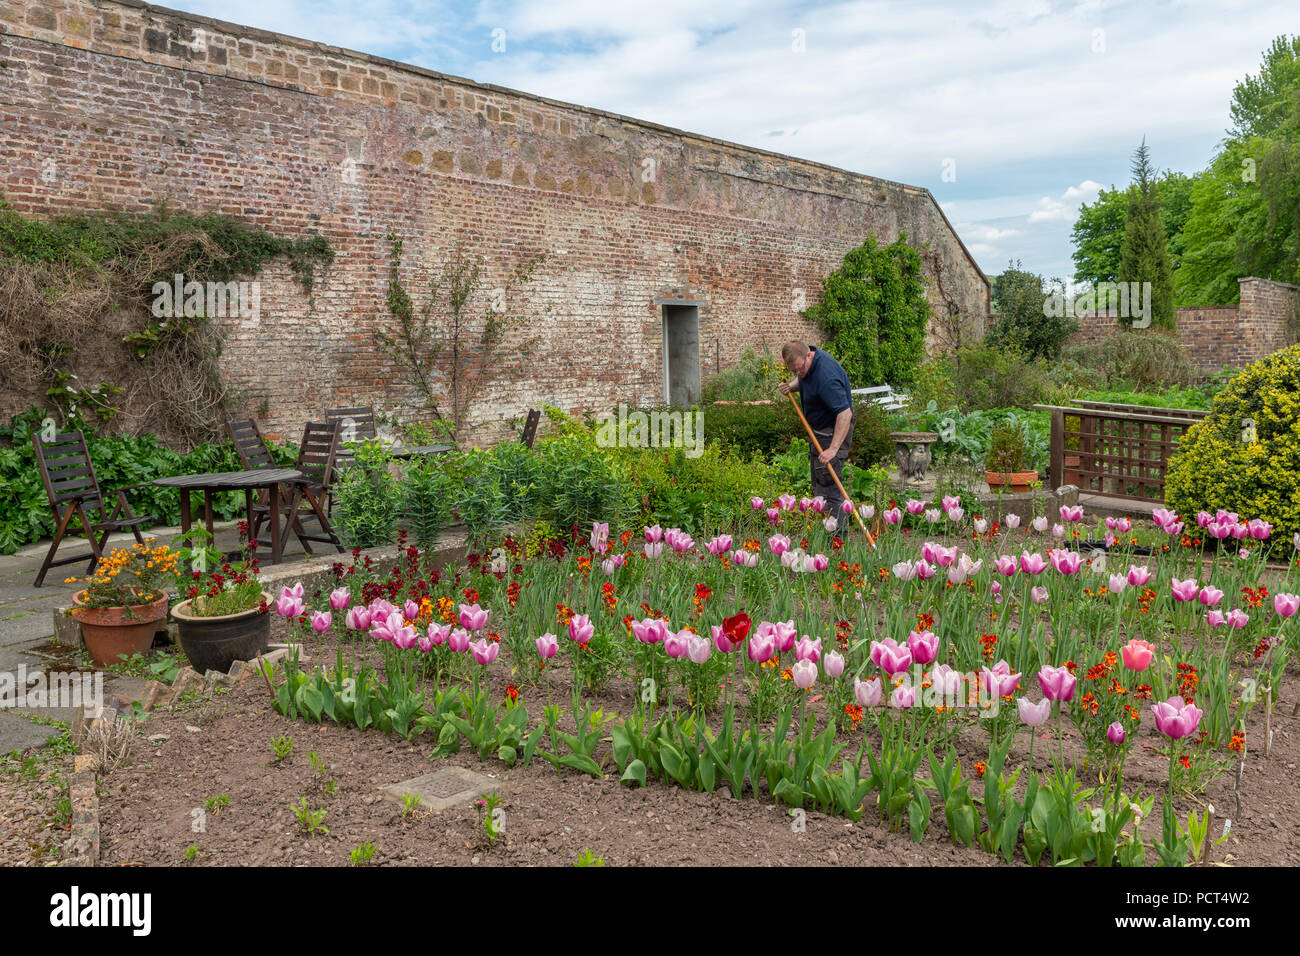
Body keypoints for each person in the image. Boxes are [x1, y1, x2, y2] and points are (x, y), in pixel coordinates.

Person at [778, 340, 854, 527]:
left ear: (808, 356)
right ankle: (828, 542)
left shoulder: (827, 377)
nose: (798, 374)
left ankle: (837, 544)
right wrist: (793, 386)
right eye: (793, 371)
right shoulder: (808, 362)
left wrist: (833, 449)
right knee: (820, 490)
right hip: (819, 432)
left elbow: (845, 414)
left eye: (799, 369)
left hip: (832, 433)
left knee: (829, 492)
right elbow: (805, 378)